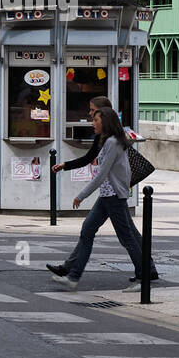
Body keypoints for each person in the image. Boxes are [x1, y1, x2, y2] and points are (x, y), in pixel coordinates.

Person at [51, 96, 156, 283]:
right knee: (89, 230)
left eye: (94, 116)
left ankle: (145, 272)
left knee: (127, 237)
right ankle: (72, 273)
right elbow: (93, 161)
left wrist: (81, 195)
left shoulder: (112, 142)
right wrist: (65, 165)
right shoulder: (107, 139)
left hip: (114, 196)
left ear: (104, 118)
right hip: (107, 196)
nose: (91, 119)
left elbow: (101, 174)